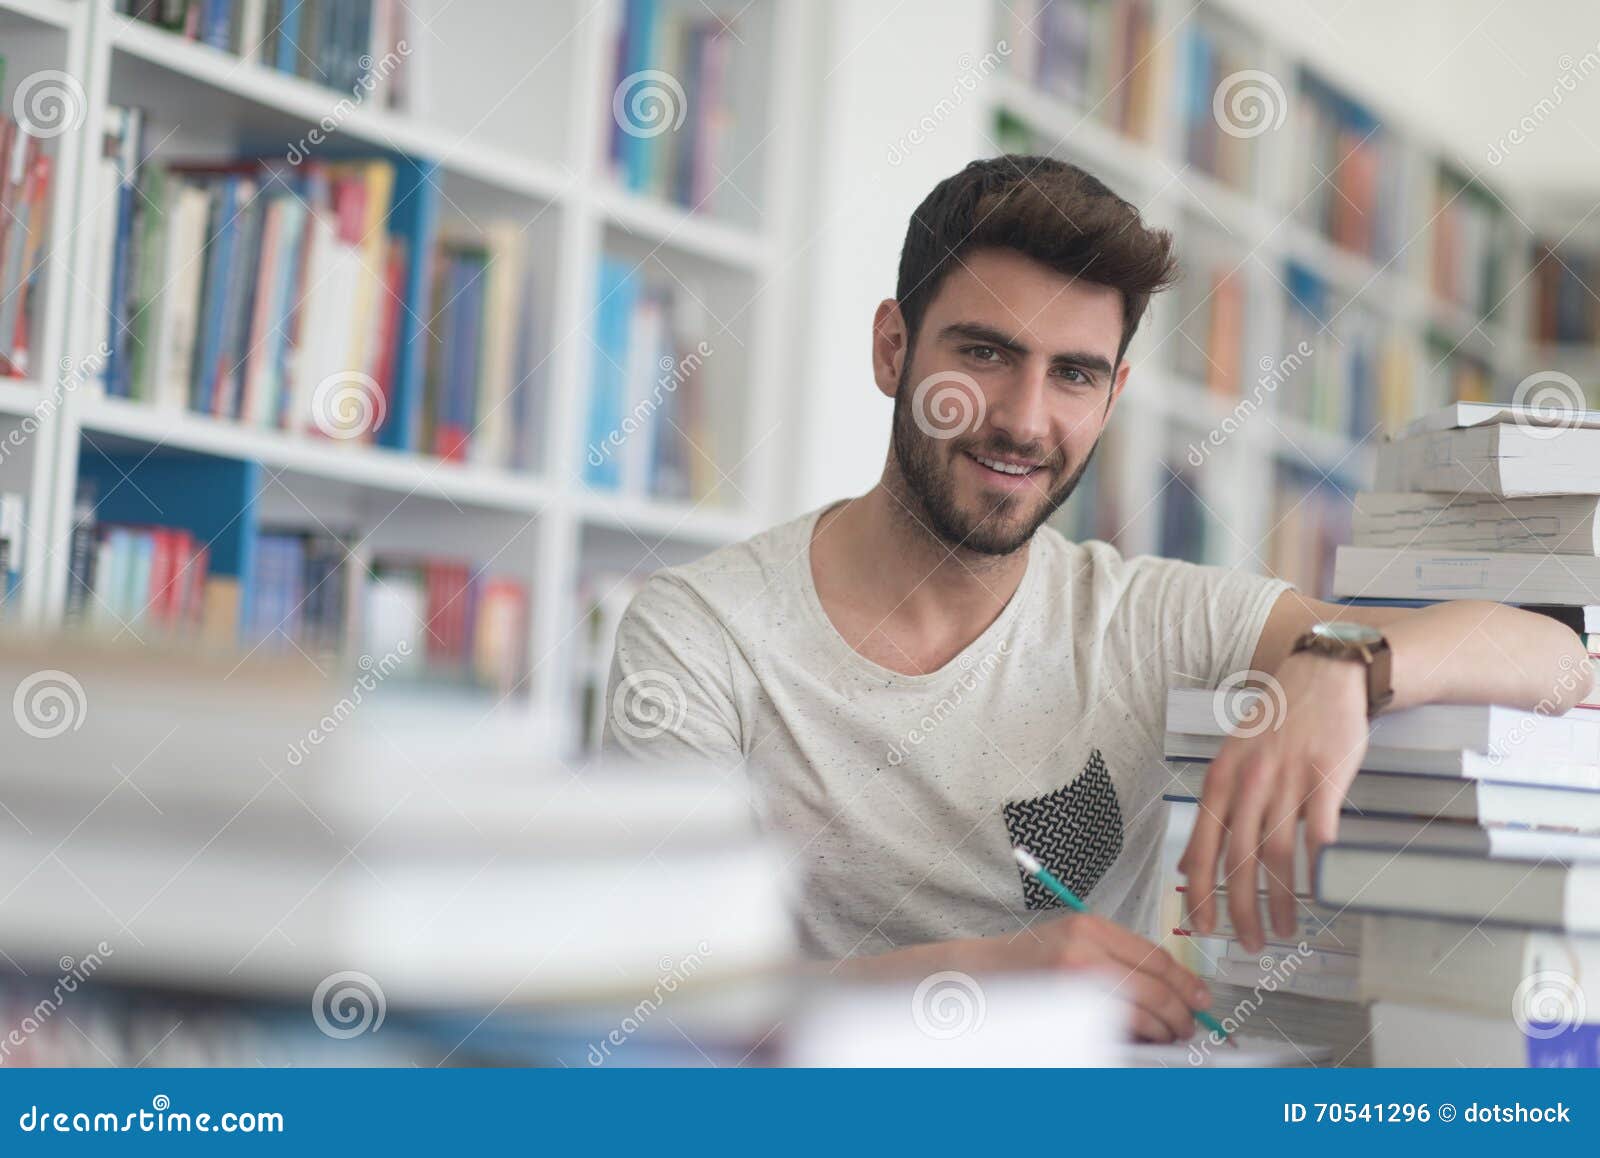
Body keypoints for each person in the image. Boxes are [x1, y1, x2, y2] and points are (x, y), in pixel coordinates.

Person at [602, 154, 1591, 1043]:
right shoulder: (703, 633)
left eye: (1069, 374)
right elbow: (657, 993)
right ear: (892, 350)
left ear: (1111, 397)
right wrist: (986, 977)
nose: (1024, 420)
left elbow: (1563, 665)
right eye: (983, 353)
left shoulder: (1144, 620)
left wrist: (1342, 661)